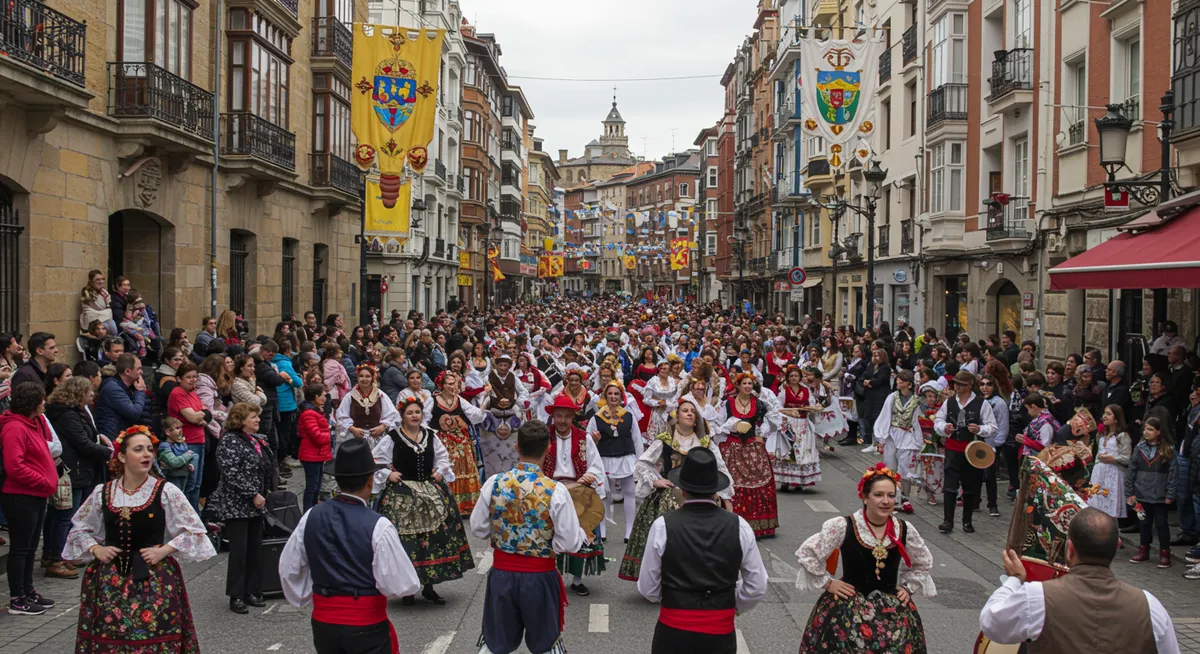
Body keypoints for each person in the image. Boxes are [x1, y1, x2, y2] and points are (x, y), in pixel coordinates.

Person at [63, 425, 216, 649]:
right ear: (122, 456)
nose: (146, 454)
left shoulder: (166, 491)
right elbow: (78, 529)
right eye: (138, 449)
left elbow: (194, 530)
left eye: (149, 449)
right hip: (110, 581)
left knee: (154, 635)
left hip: (154, 579)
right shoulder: (103, 492)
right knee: (110, 638)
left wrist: (163, 550)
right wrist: (97, 549)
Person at [279, 438, 420, 654]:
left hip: (324, 624)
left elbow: (289, 568)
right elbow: (403, 584)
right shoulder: (379, 525)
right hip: (366, 624)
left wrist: (311, 595)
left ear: (337, 481)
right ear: (370, 482)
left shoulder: (310, 517)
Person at [979, 507, 1180, 652]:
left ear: (1070, 549)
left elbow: (991, 623)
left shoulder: (1037, 597)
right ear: (1115, 547)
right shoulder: (1149, 605)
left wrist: (1014, 580)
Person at [469, 419, 587, 654]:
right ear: (548, 449)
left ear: (516, 447)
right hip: (539, 576)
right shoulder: (555, 490)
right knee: (546, 644)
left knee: (495, 643)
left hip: (502, 574)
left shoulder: (494, 483)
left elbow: (478, 528)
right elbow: (570, 542)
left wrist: (505, 531)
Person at [636, 448, 768, 653]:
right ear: (716, 491)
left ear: (682, 489)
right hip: (719, 632)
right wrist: (731, 606)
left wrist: (673, 598)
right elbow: (757, 586)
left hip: (673, 631)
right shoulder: (739, 526)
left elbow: (647, 587)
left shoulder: (663, 526)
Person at [795, 462, 936, 653]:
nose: (885, 501)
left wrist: (908, 587)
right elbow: (808, 553)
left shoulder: (903, 529)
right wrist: (828, 583)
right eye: (878, 495)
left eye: (891, 495)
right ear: (864, 497)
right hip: (846, 609)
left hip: (893, 613)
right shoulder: (843, 526)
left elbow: (923, 561)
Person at [370, 397, 474, 605]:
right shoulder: (393, 438)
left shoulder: (430, 435)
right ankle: (408, 590)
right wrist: (387, 474)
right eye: (410, 413)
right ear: (402, 416)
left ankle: (429, 587)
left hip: (429, 491)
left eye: (417, 412)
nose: (414, 416)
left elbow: (443, 458)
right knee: (407, 542)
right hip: (403, 494)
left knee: (433, 540)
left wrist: (441, 471)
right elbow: (375, 460)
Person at [206, 402, 273, 614]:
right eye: (253, 417)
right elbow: (231, 473)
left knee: (255, 548)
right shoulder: (229, 442)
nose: (258, 420)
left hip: (256, 503)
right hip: (237, 505)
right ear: (241, 419)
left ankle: (251, 590)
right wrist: (252, 494)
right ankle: (235, 595)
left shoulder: (255, 439)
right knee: (239, 551)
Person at [1, 382, 59, 615]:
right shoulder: (15, 427)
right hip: (20, 495)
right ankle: (17, 598)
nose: (45, 403)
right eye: (41, 400)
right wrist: (43, 481)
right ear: (32, 404)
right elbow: (15, 466)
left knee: (32, 546)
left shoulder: (32, 423)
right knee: (20, 549)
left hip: (35, 495)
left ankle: (28, 590)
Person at [543, 393, 607, 595]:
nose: (562, 421)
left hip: (577, 490)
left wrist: (588, 477)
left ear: (573, 417)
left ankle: (577, 580)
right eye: (559, 416)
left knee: (580, 533)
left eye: (567, 416)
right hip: (550, 491)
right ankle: (551, 576)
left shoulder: (584, 439)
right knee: (549, 535)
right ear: (553, 416)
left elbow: (596, 466)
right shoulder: (544, 437)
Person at [932, 370, 998, 533]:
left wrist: (979, 429)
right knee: (950, 485)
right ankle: (948, 521)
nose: (957, 386)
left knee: (970, 486)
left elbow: (993, 427)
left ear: (969, 385)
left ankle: (967, 521)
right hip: (953, 448)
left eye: (961, 384)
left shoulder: (982, 404)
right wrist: (943, 428)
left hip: (973, 451)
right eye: (955, 383)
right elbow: (938, 420)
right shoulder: (949, 403)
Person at [717, 372, 781, 538]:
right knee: (733, 484)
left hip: (753, 445)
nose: (747, 386)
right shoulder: (727, 403)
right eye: (744, 383)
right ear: (738, 385)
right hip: (733, 447)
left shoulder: (759, 403)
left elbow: (772, 418)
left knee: (760, 481)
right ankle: (733, 522)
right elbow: (719, 423)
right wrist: (732, 427)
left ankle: (759, 525)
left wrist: (763, 435)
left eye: (750, 384)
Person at [584, 380, 643, 543]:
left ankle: (629, 530)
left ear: (621, 396)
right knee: (605, 494)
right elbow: (588, 440)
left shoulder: (629, 416)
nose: (613, 396)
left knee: (630, 492)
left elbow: (637, 439)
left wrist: (640, 462)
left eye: (616, 393)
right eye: (610, 393)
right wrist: (594, 440)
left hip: (626, 457)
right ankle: (602, 529)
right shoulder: (597, 417)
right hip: (605, 458)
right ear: (605, 396)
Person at [1127, 416, 1179, 567]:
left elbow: (1173, 473)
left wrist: (1170, 494)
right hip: (1141, 493)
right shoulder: (1139, 448)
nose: (1146, 432)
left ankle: (1164, 552)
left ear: (1158, 431)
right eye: (1145, 429)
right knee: (1144, 523)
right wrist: (1130, 492)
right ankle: (1144, 549)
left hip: (1160, 494)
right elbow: (1131, 470)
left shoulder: (1168, 449)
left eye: (1150, 429)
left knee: (1162, 524)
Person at [873, 370, 923, 514]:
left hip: (907, 436)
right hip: (892, 435)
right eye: (897, 380)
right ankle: (892, 496)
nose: (898, 382)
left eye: (901, 381)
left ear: (909, 383)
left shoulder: (916, 400)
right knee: (890, 467)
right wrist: (881, 438)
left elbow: (916, 422)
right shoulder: (892, 397)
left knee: (905, 469)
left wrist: (919, 442)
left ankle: (905, 498)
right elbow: (885, 416)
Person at [167, 361, 209, 510]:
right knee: (189, 485)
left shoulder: (192, 393)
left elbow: (205, 415)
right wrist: (201, 417)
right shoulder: (177, 393)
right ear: (179, 378)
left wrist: (202, 417)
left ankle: (197, 518)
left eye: (195, 377)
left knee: (197, 485)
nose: (192, 380)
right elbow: (193, 417)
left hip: (200, 440)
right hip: (187, 443)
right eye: (188, 377)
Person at [335, 362, 400, 451]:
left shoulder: (380, 395)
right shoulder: (350, 396)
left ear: (373, 378)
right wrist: (353, 429)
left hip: (377, 440)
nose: (364, 379)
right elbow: (341, 416)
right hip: (355, 438)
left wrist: (382, 427)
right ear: (357, 378)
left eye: (368, 376)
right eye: (361, 376)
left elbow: (393, 415)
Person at [94, 353, 147, 444]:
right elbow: (133, 412)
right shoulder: (113, 388)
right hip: (112, 438)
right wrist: (140, 391)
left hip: (122, 435)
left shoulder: (129, 385)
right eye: (138, 369)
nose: (141, 372)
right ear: (127, 371)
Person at [297, 383, 333, 512]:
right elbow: (316, 436)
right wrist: (329, 434)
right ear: (316, 396)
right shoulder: (309, 414)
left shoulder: (315, 411)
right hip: (311, 454)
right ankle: (307, 512)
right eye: (323, 395)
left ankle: (312, 510)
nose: (325, 397)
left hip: (317, 454)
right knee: (312, 487)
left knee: (316, 486)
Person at [157, 417, 195, 491]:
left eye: (181, 428)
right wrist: (188, 454)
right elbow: (174, 462)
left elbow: (186, 460)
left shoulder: (183, 444)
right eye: (177, 428)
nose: (181, 430)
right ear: (168, 432)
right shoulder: (165, 446)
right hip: (172, 477)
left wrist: (189, 464)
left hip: (183, 475)